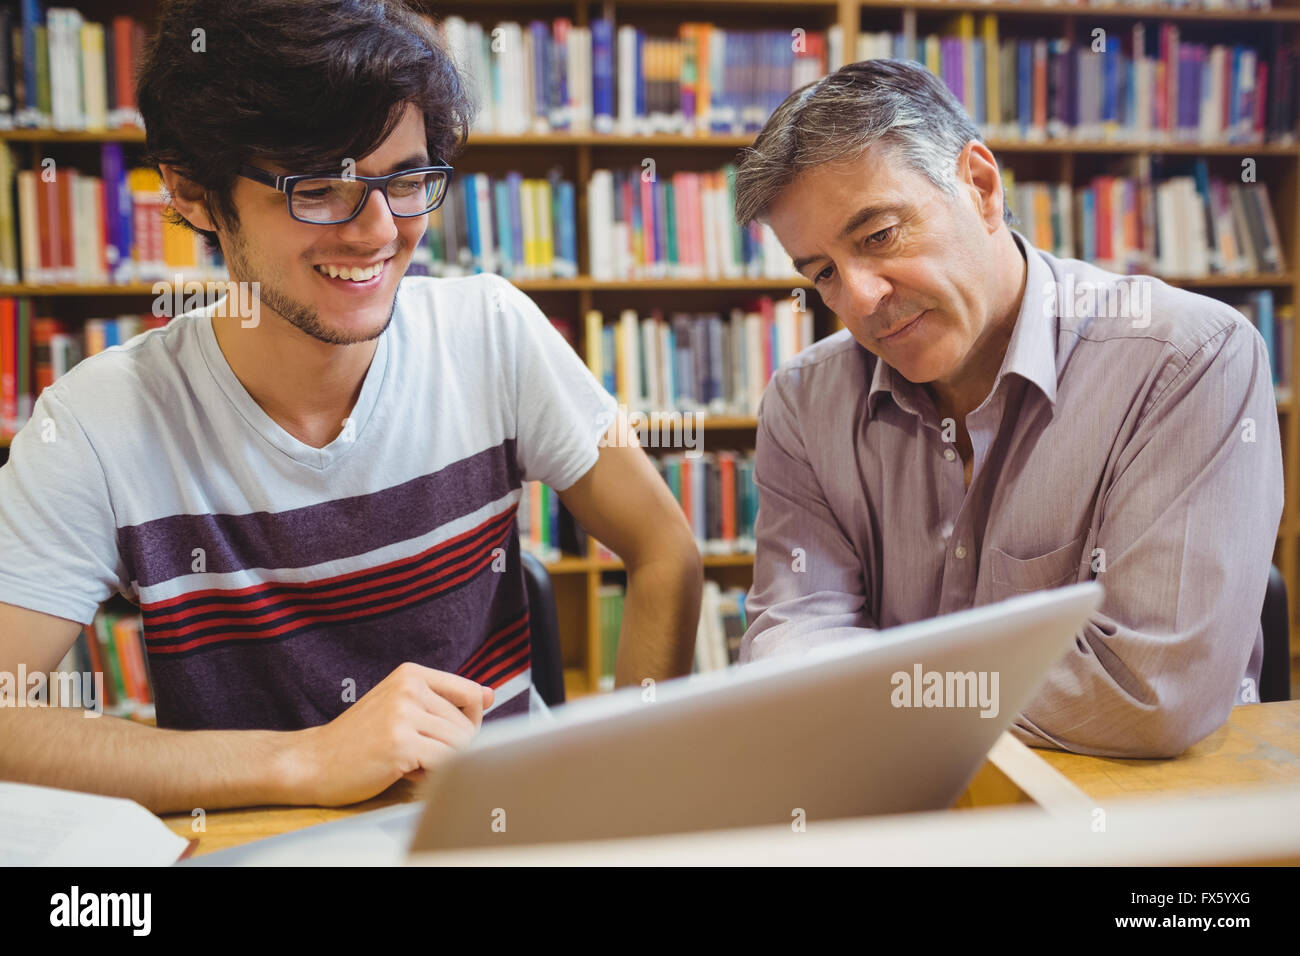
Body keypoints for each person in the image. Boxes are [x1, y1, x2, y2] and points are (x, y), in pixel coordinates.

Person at [0, 0, 701, 812]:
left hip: (500, 829)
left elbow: (664, 552)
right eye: (321, 188)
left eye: (404, 181)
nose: (376, 230)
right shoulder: (96, 423)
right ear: (193, 193)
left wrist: (622, 790)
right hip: (268, 846)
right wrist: (303, 762)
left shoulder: (492, 331)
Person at [732, 58, 1284, 758]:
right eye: (823, 274)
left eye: (878, 236)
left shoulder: (1185, 359)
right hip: (912, 806)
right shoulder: (804, 403)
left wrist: (866, 684)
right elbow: (789, 640)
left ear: (981, 187)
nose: (860, 299)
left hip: (1135, 816)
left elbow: (1150, 693)